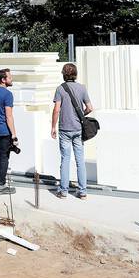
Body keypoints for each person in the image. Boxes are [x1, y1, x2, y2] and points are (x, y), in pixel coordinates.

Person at [51, 63, 93, 199]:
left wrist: (52, 127)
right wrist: (81, 115)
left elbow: (56, 109)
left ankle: (63, 191)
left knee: (65, 160)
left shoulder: (60, 89)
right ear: (76, 74)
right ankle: (83, 192)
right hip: (78, 129)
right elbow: (90, 108)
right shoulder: (82, 88)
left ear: (63, 74)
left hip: (64, 129)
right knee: (80, 161)